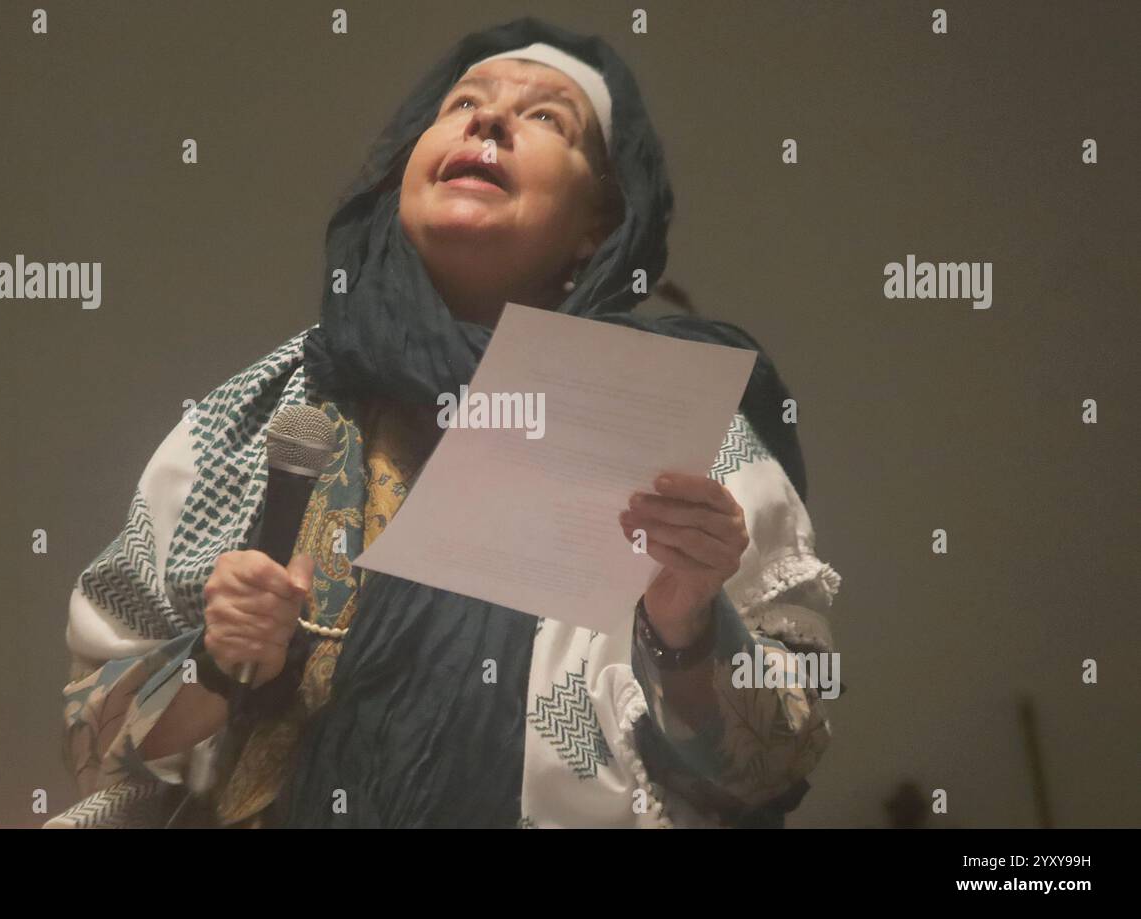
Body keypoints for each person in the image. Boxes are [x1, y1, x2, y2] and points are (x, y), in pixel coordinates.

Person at [47, 17, 842, 829]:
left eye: (546, 119)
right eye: (463, 103)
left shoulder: (683, 433)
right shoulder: (262, 414)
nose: (488, 121)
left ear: (599, 223)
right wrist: (217, 666)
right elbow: (95, 733)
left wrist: (688, 626)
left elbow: (779, 760)